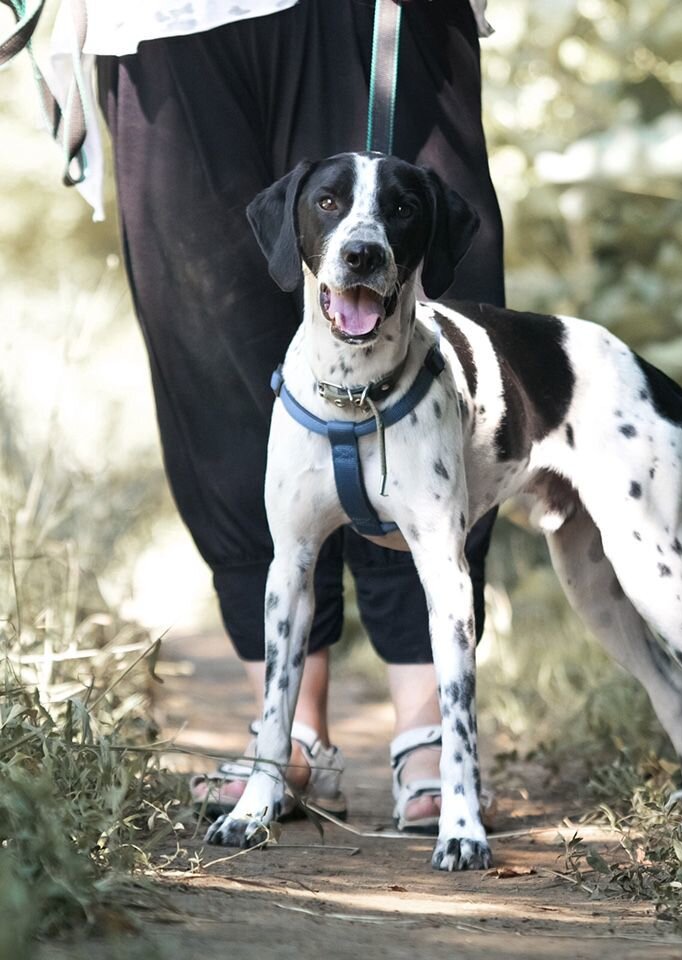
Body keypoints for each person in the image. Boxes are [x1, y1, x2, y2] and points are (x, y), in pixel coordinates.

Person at [58, 0, 504, 832]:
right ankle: (289, 734)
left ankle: (430, 730)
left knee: (431, 296)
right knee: (212, 346)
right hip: (159, 19)